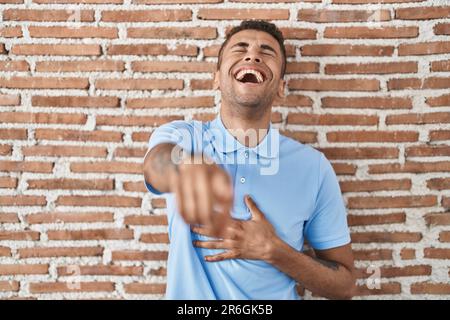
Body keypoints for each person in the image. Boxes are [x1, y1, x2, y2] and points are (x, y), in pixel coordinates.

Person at [143, 20, 356, 300]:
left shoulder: (313, 168)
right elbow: (156, 165)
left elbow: (344, 287)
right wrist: (182, 169)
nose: (253, 55)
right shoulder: (184, 137)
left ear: (280, 86)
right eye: (240, 48)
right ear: (216, 77)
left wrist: (273, 250)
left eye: (266, 51)